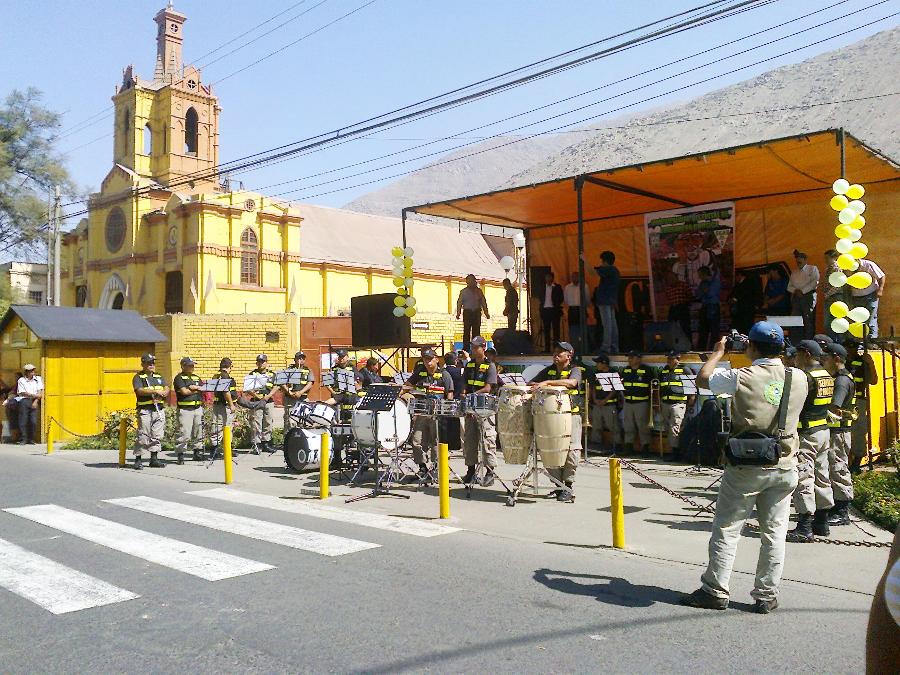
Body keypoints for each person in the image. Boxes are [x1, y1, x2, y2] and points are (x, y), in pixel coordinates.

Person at [681, 322, 807, 614]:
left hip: (746, 465)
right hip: (785, 461)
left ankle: (715, 590)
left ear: (751, 347)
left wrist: (718, 351)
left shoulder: (740, 376)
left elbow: (703, 378)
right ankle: (766, 594)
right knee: (775, 533)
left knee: (727, 527)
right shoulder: (798, 377)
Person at [785, 340, 835, 542]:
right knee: (822, 475)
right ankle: (822, 522)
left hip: (806, 433)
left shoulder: (806, 377)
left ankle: (804, 526)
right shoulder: (826, 375)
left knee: (804, 476)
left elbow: (795, 405)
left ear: (805, 353)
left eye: (796, 354)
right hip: (823, 430)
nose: (794, 358)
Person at [530, 341, 583, 502]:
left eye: (560, 352)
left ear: (569, 355)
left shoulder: (575, 370)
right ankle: (558, 485)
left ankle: (568, 485)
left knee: (572, 452)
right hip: (550, 418)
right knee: (550, 450)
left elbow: (572, 383)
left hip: (571, 417)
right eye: (554, 352)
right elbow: (532, 383)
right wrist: (538, 384)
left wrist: (547, 383)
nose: (556, 355)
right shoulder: (549, 371)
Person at [404, 348, 454, 477]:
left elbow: (449, 394)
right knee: (416, 440)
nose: (428, 362)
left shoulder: (444, 374)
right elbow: (407, 385)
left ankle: (436, 467)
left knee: (436, 442)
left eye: (430, 359)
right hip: (421, 413)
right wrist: (399, 393)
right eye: (425, 360)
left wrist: (446, 412)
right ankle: (422, 467)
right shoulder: (420, 372)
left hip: (437, 414)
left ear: (436, 359)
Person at [821, 343, 855, 527]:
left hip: (838, 432)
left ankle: (843, 511)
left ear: (836, 359)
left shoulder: (841, 381)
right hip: (835, 431)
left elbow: (834, 407)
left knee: (838, 468)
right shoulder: (838, 377)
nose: (823, 361)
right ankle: (836, 506)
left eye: (826, 358)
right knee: (833, 467)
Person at [462, 336, 499, 486]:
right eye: (472, 346)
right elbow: (464, 382)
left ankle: (490, 471)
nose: (474, 349)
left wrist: (472, 395)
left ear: (483, 348)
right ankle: (471, 471)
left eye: (477, 346)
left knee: (487, 440)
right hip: (470, 408)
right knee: (470, 440)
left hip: (485, 409)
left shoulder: (490, 366)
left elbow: (488, 388)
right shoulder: (470, 365)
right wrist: (464, 393)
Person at [324, 348, 360, 468]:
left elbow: (359, 384)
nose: (341, 359)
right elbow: (327, 383)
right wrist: (333, 391)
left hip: (350, 401)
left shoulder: (353, 369)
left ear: (347, 357)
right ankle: (337, 459)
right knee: (336, 432)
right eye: (339, 357)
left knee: (352, 431)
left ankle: (352, 458)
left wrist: (355, 385)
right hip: (337, 402)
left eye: (343, 357)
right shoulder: (334, 369)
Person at [132, 354, 169, 470]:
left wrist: (164, 392)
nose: (152, 365)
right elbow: (139, 391)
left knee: (157, 435)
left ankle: (154, 459)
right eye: (149, 363)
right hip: (146, 409)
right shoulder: (138, 377)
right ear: (143, 364)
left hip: (158, 409)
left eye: (153, 362)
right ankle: (138, 459)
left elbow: (166, 387)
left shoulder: (158, 376)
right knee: (143, 435)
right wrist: (154, 391)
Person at [658, 351, 694, 462]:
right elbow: (660, 388)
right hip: (665, 403)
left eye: (670, 358)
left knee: (675, 428)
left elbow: (691, 388)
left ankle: (676, 453)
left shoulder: (685, 370)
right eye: (667, 358)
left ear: (677, 359)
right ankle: (673, 451)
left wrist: (691, 401)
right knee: (668, 428)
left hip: (678, 403)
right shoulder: (664, 370)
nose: (668, 360)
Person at [847, 340, 877, 472]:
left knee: (858, 431)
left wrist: (871, 364)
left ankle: (857, 463)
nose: (850, 352)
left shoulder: (863, 362)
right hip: (844, 402)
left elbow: (874, 381)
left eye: (852, 349)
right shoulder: (840, 362)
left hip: (858, 401)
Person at [589, 353, 622, 456]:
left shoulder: (613, 373)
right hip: (597, 405)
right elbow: (593, 388)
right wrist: (594, 399)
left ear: (604, 363)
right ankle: (596, 446)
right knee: (596, 426)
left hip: (610, 405)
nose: (596, 365)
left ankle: (617, 447)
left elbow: (615, 390)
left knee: (614, 426)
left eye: (598, 362)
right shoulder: (596, 373)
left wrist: (605, 400)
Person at [173, 356, 204, 464]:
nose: (192, 367)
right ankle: (180, 454)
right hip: (185, 410)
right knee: (184, 433)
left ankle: (197, 452)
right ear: (183, 366)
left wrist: (193, 388)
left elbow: (203, 389)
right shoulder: (179, 378)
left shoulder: (196, 377)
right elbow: (184, 392)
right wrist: (196, 390)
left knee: (198, 431)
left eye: (193, 365)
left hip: (197, 408)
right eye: (190, 365)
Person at [620, 350, 652, 456]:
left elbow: (653, 387)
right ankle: (628, 447)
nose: (629, 360)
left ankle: (645, 448)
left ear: (639, 359)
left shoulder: (647, 370)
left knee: (643, 426)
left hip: (641, 402)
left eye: (631, 357)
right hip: (628, 402)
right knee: (628, 426)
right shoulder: (626, 370)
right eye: (628, 357)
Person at [787, 250, 820, 340]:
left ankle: (809, 340)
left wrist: (803, 291)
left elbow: (815, 282)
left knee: (808, 319)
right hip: (796, 297)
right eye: (797, 261)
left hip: (808, 296)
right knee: (795, 319)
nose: (798, 263)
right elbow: (789, 286)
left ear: (805, 260)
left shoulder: (812, 268)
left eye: (800, 261)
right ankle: (796, 340)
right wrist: (796, 291)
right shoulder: (794, 272)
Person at [849, 258, 886, 339]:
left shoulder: (868, 264)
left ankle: (872, 340)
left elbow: (881, 276)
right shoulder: (847, 266)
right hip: (856, 296)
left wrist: (880, 289)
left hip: (870, 294)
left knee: (871, 318)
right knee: (858, 320)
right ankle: (861, 341)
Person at [247, 354, 276, 454]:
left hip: (269, 401)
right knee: (256, 423)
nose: (261, 363)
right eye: (259, 361)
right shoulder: (252, 374)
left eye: (263, 361)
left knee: (268, 422)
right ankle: (256, 444)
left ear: (266, 363)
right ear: (256, 363)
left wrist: (268, 396)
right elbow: (248, 388)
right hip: (257, 400)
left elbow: (277, 386)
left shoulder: (272, 374)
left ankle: (266, 443)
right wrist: (256, 395)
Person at [210, 357, 237, 457]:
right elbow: (226, 392)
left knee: (218, 426)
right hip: (224, 406)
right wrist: (231, 404)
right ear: (230, 366)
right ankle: (218, 450)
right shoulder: (225, 377)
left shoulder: (217, 376)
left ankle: (221, 449)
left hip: (218, 405)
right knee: (225, 427)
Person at [282, 351, 314, 433]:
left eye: (302, 358)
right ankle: (288, 440)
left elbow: (310, 383)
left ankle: (302, 439)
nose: (301, 360)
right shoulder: (289, 370)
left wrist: (300, 392)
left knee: (304, 419)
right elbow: (282, 382)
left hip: (303, 398)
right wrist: (289, 392)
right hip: (290, 398)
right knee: (290, 421)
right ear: (295, 360)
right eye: (299, 358)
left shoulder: (308, 370)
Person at [595, 251, 620, 353]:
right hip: (611, 300)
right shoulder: (615, 271)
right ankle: (614, 346)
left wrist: (584, 260)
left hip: (604, 300)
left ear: (605, 261)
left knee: (607, 325)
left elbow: (592, 272)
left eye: (602, 261)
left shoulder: (608, 269)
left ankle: (606, 347)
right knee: (612, 325)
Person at [456, 274, 490, 350]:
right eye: (470, 281)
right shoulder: (463, 291)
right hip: (467, 312)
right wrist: (458, 313)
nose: (472, 282)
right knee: (466, 331)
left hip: (476, 312)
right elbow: (459, 302)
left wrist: (486, 313)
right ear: (467, 282)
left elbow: (483, 302)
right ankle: (466, 348)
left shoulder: (479, 291)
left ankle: (476, 347)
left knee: (476, 331)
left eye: (473, 280)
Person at [822, 250, 847, 343]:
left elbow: (838, 285)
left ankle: (839, 342)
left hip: (835, 297)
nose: (825, 260)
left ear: (834, 258)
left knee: (836, 320)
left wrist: (827, 294)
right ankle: (831, 341)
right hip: (829, 296)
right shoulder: (828, 268)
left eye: (827, 258)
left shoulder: (836, 268)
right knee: (828, 322)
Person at [15, 365, 43, 445]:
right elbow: (23, 392)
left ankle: (31, 439)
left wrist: (36, 400)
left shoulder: (38, 379)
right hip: (24, 400)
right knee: (23, 421)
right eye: (30, 371)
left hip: (34, 401)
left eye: (33, 370)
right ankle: (23, 439)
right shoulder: (21, 380)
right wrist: (35, 395)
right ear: (26, 372)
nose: (32, 372)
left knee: (33, 421)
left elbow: (40, 392)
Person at [695, 266, 721, 351]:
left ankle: (713, 350)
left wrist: (706, 290)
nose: (699, 277)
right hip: (704, 307)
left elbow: (712, 293)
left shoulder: (715, 282)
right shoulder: (702, 283)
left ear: (704, 274)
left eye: (700, 274)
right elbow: (698, 295)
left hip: (713, 307)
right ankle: (701, 350)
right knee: (703, 330)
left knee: (714, 330)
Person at [729, 269, 761, 335]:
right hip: (740, 312)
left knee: (746, 329)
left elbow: (745, 295)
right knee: (740, 329)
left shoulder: (749, 284)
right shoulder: (738, 285)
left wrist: (735, 299)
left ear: (740, 275)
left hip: (746, 311)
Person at [664, 271, 693, 344]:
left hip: (683, 307)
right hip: (673, 308)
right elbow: (668, 298)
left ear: (676, 277)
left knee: (685, 327)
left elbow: (690, 295)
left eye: (672, 278)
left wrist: (685, 303)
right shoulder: (668, 288)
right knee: (671, 326)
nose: (671, 280)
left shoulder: (683, 285)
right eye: (669, 279)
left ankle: (689, 344)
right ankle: (674, 344)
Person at [540, 272, 564, 353]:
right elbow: (540, 298)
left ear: (553, 278)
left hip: (554, 311)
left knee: (556, 331)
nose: (548, 279)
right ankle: (547, 349)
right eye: (547, 277)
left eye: (550, 277)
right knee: (546, 331)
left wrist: (556, 305)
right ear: (545, 279)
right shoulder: (542, 287)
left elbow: (561, 298)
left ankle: (556, 349)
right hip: (545, 310)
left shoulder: (557, 287)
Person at [564, 272, 587, 351]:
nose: (574, 279)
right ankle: (573, 348)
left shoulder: (584, 286)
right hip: (572, 309)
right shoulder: (567, 287)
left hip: (581, 309)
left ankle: (583, 347)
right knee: (572, 330)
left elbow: (587, 299)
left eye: (576, 277)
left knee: (582, 329)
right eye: (573, 277)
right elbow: (566, 300)